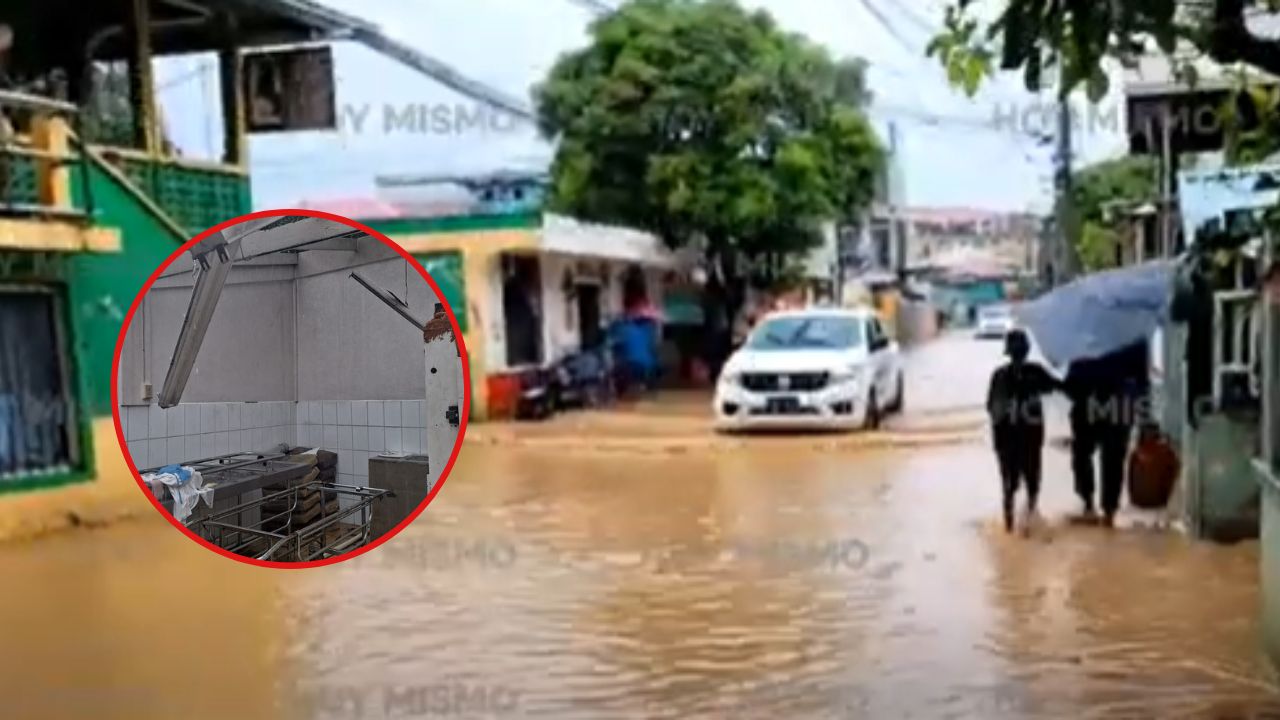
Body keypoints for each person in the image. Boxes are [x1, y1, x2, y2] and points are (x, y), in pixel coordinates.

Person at [1064, 340, 1149, 527]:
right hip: (1116, 403)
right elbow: (1143, 382)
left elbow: (1072, 378)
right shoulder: (1134, 335)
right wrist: (1144, 417)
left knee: (1086, 454)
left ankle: (1090, 506)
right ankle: (1106, 512)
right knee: (1110, 457)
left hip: (1094, 400)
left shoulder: (1086, 333)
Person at [986, 329, 1063, 534]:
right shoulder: (1034, 373)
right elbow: (1059, 387)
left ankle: (1012, 526)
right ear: (1026, 351)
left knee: (1012, 485)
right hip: (1022, 440)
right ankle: (1023, 522)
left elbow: (992, 408)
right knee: (1028, 483)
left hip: (1011, 441)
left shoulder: (1001, 376)